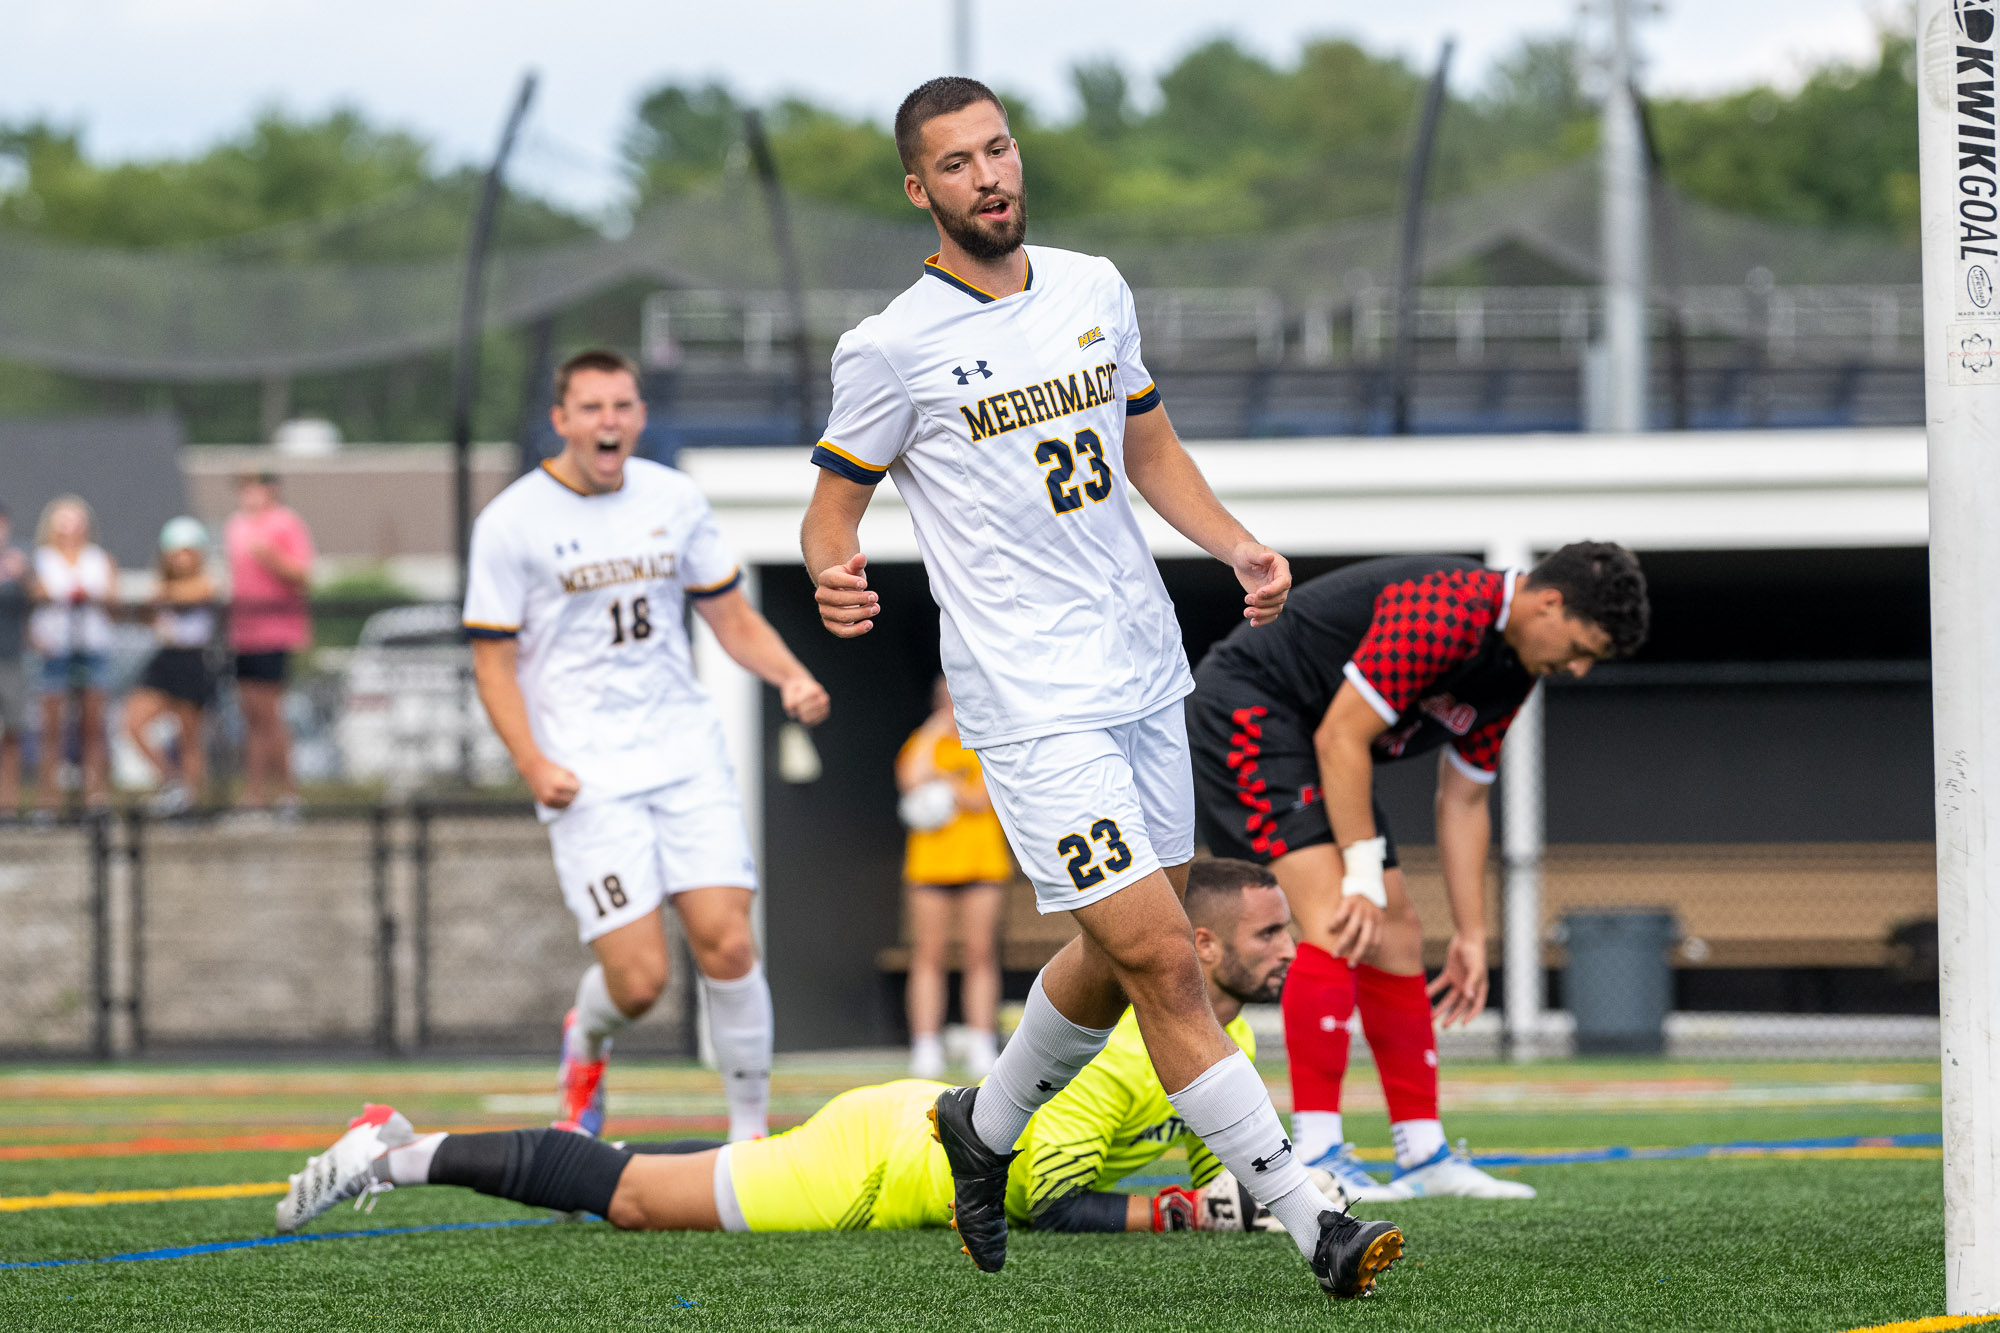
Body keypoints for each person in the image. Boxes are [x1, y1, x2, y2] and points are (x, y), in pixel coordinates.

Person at [798, 77, 1394, 1299]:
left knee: (1117, 950)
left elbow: (1145, 443)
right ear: (921, 190)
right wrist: (829, 575)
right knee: (1169, 959)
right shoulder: (891, 345)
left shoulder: (1092, 285)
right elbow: (830, 508)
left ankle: (983, 1124)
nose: (989, 175)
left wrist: (1232, 542)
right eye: (957, 163)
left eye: (999, 149)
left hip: (1138, 666)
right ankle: (1306, 1215)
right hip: (1025, 701)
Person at [276, 861, 1361, 1260]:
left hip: (898, 1137)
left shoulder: (1227, 1034)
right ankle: (394, 1152)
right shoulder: (1130, 1050)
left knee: (659, 1184)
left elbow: (1192, 1144)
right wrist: (1183, 1215)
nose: (1288, 949)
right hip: (883, 1161)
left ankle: (407, 1149)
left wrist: (1253, 1184)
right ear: (1201, 944)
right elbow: (1031, 1191)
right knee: (641, 1202)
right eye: (1269, 934)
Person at [1186, 545, 1650, 1201]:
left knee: (1399, 935)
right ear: (1550, 603)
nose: (1576, 668)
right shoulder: (1451, 609)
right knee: (1337, 919)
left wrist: (1470, 933)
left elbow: (1463, 800)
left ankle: (1423, 1152)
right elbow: (1343, 739)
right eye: (1581, 647)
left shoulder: (1517, 668)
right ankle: (1314, 1156)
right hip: (1252, 709)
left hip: (1322, 736)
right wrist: (1364, 878)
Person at [464, 348, 830, 1147]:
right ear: (561, 420)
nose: (610, 422)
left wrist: (790, 676)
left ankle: (747, 1139)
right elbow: (492, 664)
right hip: (585, 772)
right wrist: (533, 763)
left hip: (683, 752)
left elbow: (730, 616)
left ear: (639, 415)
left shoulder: (674, 497)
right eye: (592, 408)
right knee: (640, 982)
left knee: (729, 941)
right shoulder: (511, 522)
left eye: (623, 406)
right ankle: (586, 1039)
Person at [897, 675, 1011, 1079]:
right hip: (930, 867)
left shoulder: (989, 740)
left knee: (981, 955)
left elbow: (981, 798)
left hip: (982, 865)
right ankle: (926, 1046)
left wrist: (943, 782)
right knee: (927, 957)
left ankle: (982, 1042)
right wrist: (932, 733)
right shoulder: (925, 742)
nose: (951, 706)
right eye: (943, 699)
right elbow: (910, 778)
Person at [224, 471, 314, 819]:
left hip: (275, 631)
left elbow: (304, 575)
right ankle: (255, 795)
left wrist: (271, 557)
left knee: (271, 714)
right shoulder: (235, 526)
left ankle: (289, 793)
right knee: (252, 716)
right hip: (243, 633)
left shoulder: (286, 524)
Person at [124, 517, 219, 815]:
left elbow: (190, 595)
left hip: (192, 660)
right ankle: (173, 781)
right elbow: (146, 615)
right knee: (133, 722)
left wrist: (162, 596)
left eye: (187, 552)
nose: (181, 559)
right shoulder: (162, 586)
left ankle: (191, 802)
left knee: (189, 735)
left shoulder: (204, 584)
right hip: (165, 659)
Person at [30, 495, 116, 816]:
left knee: (94, 728)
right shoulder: (41, 560)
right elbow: (34, 599)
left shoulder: (99, 559)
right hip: (56, 649)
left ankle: (96, 797)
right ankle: (48, 803)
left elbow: (112, 601)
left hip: (92, 647)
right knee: (51, 729)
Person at [0, 506, 30, 815]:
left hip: (11, 658)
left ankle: (8, 806)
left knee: (13, 732)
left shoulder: (18, 563)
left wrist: (23, 576)